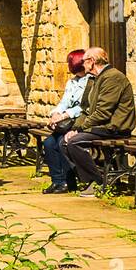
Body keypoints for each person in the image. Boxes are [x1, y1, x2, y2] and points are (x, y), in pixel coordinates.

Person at [62, 47, 136, 197]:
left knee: (74, 142)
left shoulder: (112, 78)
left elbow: (103, 113)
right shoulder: (97, 79)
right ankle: (91, 180)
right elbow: (87, 110)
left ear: (92, 61)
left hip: (114, 128)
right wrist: (75, 128)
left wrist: (80, 129)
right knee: (64, 142)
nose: (82, 64)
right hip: (101, 127)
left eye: (84, 61)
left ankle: (97, 182)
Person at [41, 49, 90, 194]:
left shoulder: (89, 82)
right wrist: (56, 113)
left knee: (62, 143)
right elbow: (65, 102)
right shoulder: (72, 82)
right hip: (66, 122)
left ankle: (69, 181)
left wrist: (64, 116)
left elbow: (83, 106)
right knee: (49, 143)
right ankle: (58, 181)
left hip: (79, 122)